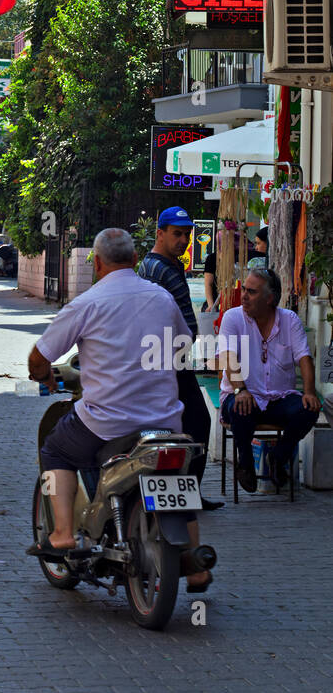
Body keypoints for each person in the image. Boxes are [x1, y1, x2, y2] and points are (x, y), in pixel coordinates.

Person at [28, 228, 212, 592]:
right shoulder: (161, 297)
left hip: (106, 422)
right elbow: (182, 346)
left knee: (56, 448)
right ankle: (196, 568)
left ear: (96, 263)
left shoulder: (87, 303)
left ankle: (63, 534)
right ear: (133, 259)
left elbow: (38, 358)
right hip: (165, 421)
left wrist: (46, 376)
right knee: (177, 480)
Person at [136, 206, 222, 511]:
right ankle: (185, 494)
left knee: (187, 426)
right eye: (177, 234)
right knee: (196, 424)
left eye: (186, 234)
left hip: (173, 361)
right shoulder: (158, 268)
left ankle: (183, 492)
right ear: (160, 233)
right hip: (168, 362)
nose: (184, 240)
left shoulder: (165, 265)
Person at [219, 267, 320, 492]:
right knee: (240, 407)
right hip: (242, 395)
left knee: (309, 409)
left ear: (269, 298)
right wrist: (240, 390)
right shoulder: (232, 317)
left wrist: (310, 392)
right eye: (244, 289)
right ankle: (245, 462)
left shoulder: (289, 319)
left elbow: (304, 357)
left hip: (278, 398)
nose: (244, 295)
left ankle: (279, 457)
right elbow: (227, 356)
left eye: (251, 292)